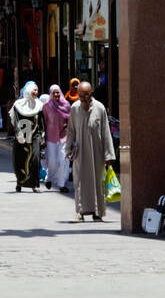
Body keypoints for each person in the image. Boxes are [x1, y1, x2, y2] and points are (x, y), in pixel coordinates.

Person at [66, 81, 115, 222]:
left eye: (85, 96)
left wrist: (109, 155)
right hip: (80, 152)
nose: (82, 99)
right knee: (79, 181)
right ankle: (80, 212)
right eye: (80, 96)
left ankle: (97, 212)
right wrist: (68, 148)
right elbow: (70, 130)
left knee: (97, 182)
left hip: (97, 153)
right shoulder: (75, 108)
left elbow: (106, 132)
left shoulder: (100, 108)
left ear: (91, 94)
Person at [8, 81, 46, 193]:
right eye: (34, 90)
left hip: (35, 136)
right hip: (21, 137)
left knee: (35, 159)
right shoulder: (18, 104)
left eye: (37, 90)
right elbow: (15, 121)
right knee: (20, 160)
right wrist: (18, 134)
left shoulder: (39, 105)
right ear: (28, 91)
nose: (36, 92)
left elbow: (42, 122)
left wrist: (42, 136)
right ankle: (20, 182)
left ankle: (35, 184)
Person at [42, 84, 72, 193]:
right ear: (50, 94)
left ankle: (61, 184)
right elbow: (44, 123)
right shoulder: (46, 107)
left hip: (64, 136)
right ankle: (49, 178)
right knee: (53, 161)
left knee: (63, 160)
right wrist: (42, 138)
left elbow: (70, 122)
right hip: (51, 137)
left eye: (58, 92)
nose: (56, 94)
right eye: (54, 92)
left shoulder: (67, 105)